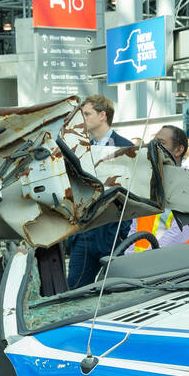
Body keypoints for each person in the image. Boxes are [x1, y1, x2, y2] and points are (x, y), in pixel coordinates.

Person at [66, 95, 134, 289]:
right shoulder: (79, 147)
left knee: (111, 292)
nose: (83, 118)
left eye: (87, 114)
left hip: (110, 232)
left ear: (102, 115)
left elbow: (129, 191)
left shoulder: (124, 146)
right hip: (84, 233)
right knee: (75, 291)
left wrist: (120, 233)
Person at [151, 125, 189, 248]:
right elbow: (135, 229)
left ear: (179, 150)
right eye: (153, 142)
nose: (154, 147)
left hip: (172, 262)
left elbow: (180, 232)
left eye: (161, 143)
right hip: (142, 261)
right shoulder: (149, 183)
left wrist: (148, 256)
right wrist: (128, 256)